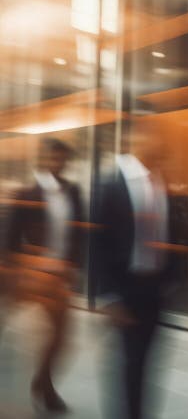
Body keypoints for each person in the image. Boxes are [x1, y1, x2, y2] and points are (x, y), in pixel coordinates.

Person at [93, 116, 172, 419]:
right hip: (125, 288)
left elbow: (168, 233)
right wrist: (108, 295)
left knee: (145, 364)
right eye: (155, 135)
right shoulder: (113, 182)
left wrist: (169, 280)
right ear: (137, 138)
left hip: (154, 288)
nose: (161, 143)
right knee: (131, 363)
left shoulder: (160, 179)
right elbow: (97, 242)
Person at [5, 138, 84, 412]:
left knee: (62, 336)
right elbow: (10, 239)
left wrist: (74, 267)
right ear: (43, 160)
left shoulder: (73, 192)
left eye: (63, 159)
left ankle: (43, 384)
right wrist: (18, 270)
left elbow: (79, 233)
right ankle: (44, 390)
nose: (58, 163)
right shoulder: (26, 193)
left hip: (57, 277)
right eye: (53, 158)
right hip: (31, 275)